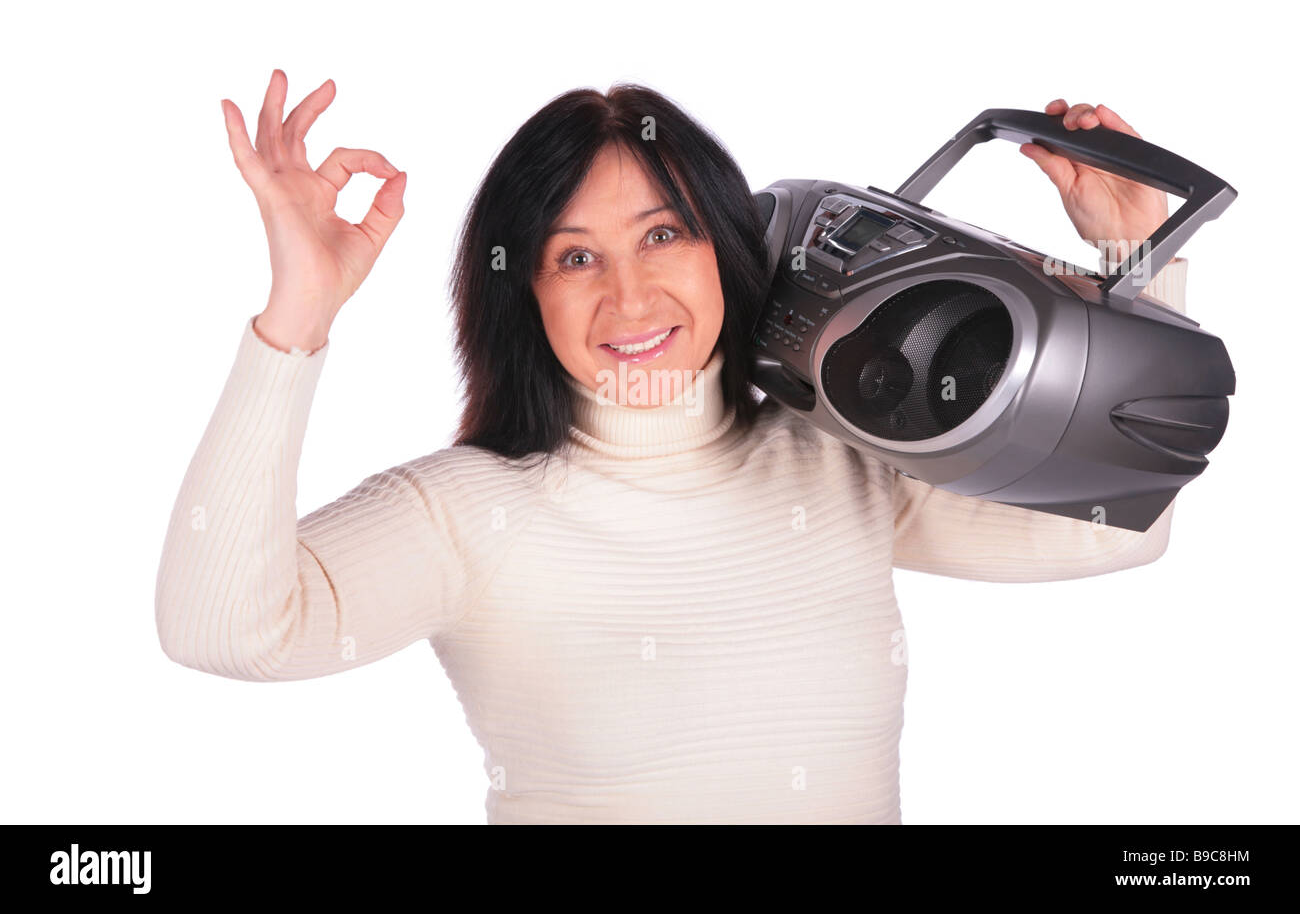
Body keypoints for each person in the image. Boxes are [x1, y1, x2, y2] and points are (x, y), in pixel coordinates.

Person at [155, 71, 1187, 823]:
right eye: (574, 256)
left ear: (731, 251)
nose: (630, 294)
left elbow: (1114, 527)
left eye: (663, 234)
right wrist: (295, 316)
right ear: (527, 293)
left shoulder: (840, 461)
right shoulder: (465, 512)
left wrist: (1136, 258)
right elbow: (225, 633)